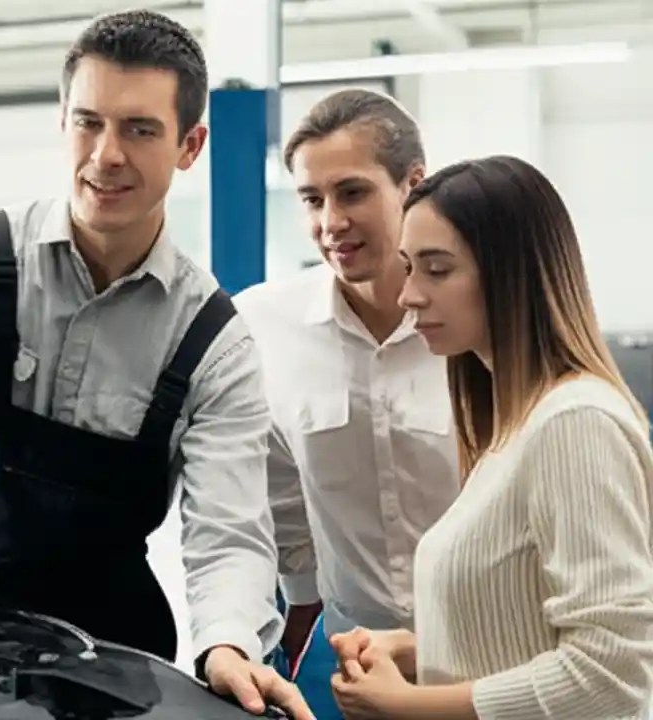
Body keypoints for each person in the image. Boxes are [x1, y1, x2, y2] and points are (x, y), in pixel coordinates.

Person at [0, 9, 314, 719]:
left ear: (190, 145)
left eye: (140, 129)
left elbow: (229, 532)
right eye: (88, 121)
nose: (106, 154)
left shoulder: (214, 340)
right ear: (62, 121)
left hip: (106, 665)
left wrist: (226, 645)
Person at [330, 155, 653, 719]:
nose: (409, 296)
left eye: (438, 269)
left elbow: (612, 671)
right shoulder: (512, 428)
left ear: (512, 273)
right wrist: (411, 650)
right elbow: (523, 632)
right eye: (409, 268)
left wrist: (409, 706)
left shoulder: (573, 423)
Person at [231, 89, 462, 719]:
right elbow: (277, 477)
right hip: (349, 657)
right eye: (312, 198)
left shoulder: (475, 320)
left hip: (479, 652)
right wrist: (300, 598)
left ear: (413, 184)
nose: (330, 221)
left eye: (352, 192)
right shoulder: (262, 322)